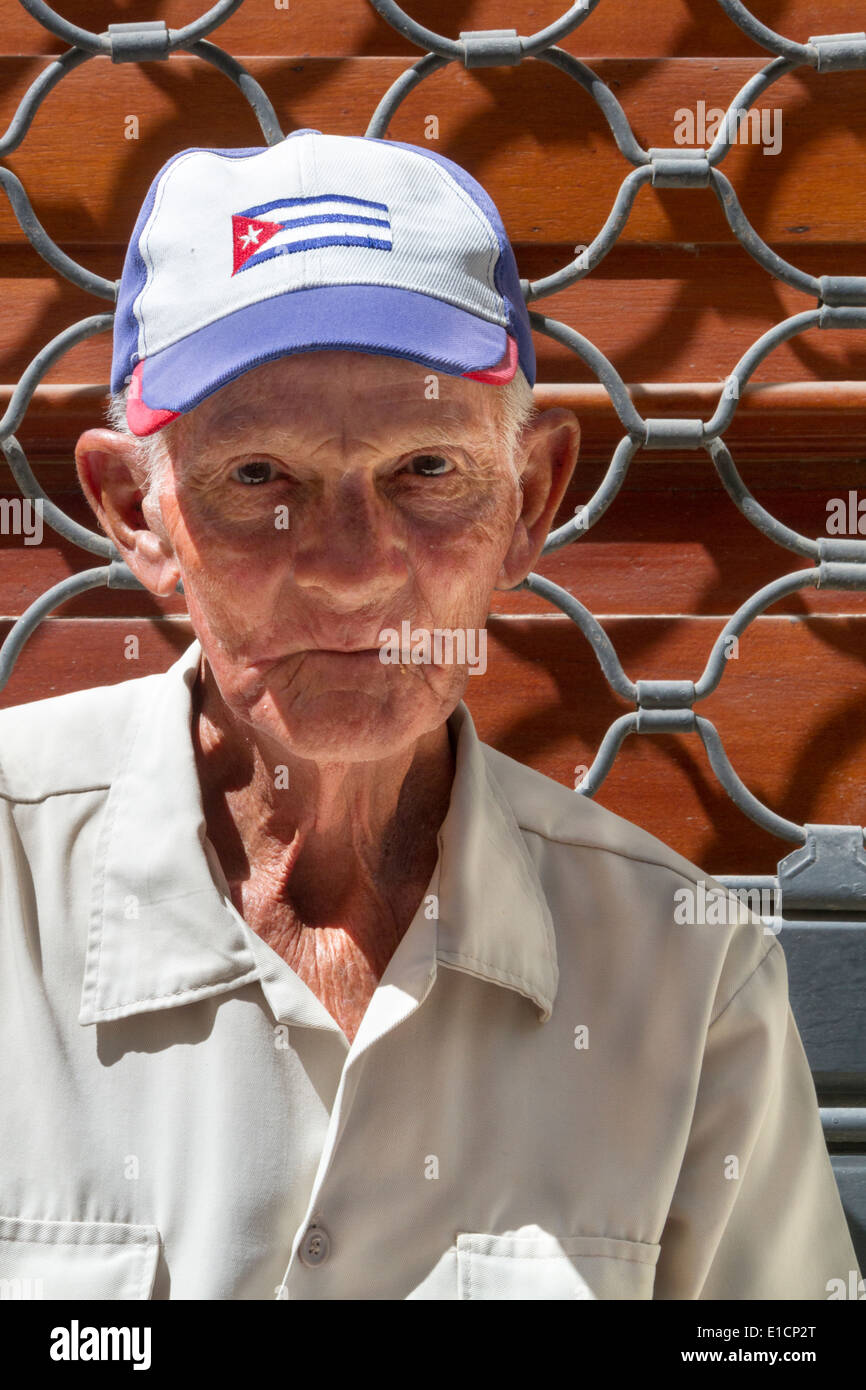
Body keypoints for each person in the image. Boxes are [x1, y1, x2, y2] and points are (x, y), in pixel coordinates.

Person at [0, 129, 859, 1300]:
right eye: (258, 477)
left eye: (425, 471)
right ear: (134, 513)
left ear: (529, 499)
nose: (352, 567)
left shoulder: (685, 971)